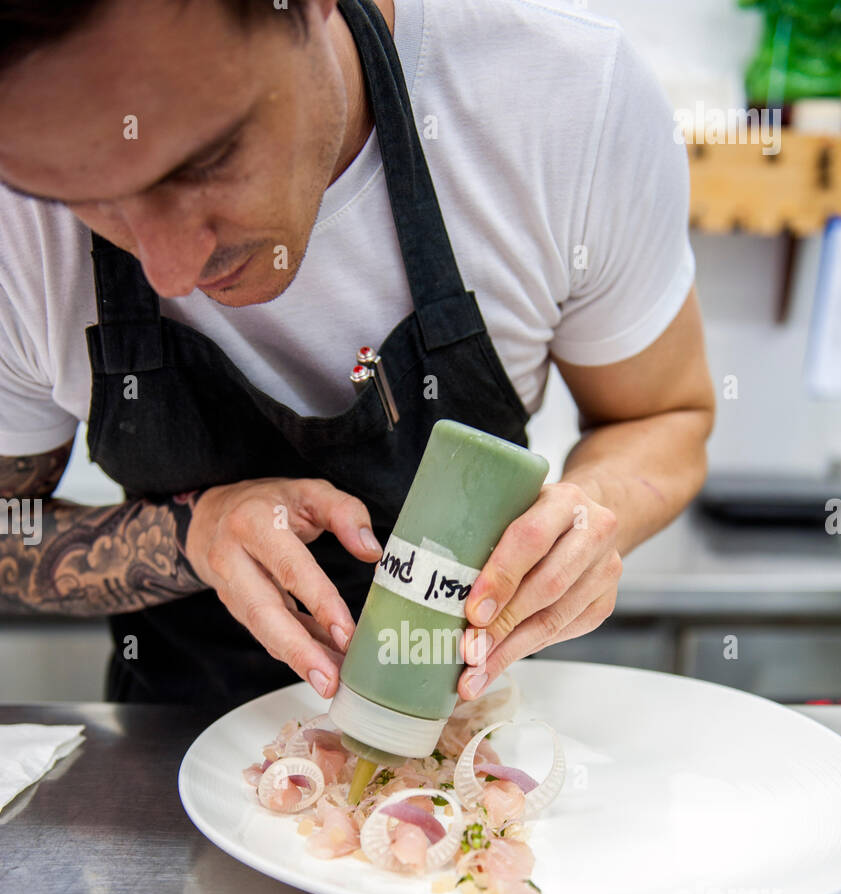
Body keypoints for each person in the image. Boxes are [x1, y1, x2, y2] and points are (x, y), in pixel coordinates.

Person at [0, 0, 714, 712]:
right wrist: (194, 532)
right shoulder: (11, 222)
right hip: (167, 746)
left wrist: (588, 513)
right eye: (85, 200)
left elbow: (664, 415)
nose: (173, 273)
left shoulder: (561, 95)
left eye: (205, 162)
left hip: (465, 742)